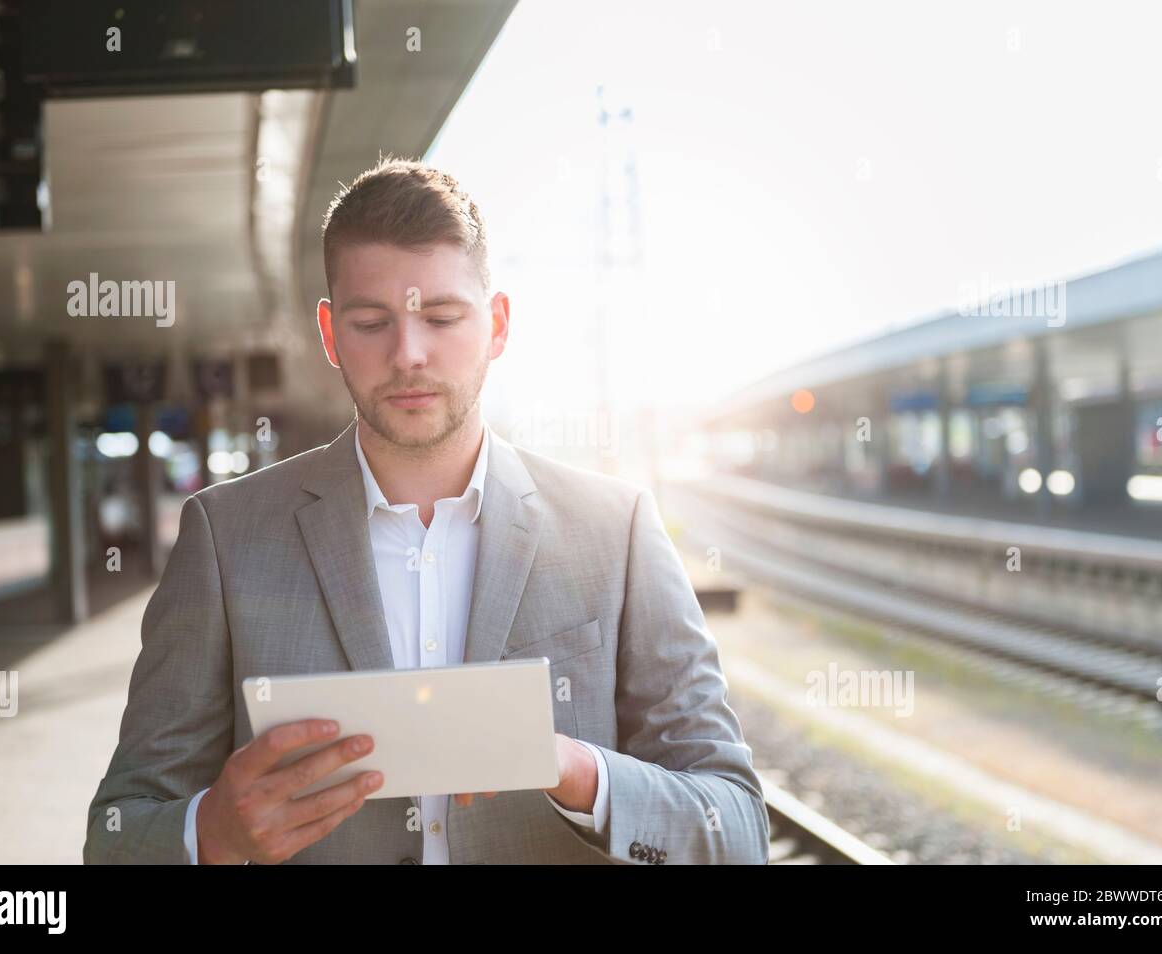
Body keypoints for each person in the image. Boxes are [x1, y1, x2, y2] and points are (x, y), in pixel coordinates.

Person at [83, 156, 769, 865]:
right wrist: (212, 833)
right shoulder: (225, 540)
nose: (408, 354)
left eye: (440, 316)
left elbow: (739, 832)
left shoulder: (615, 530)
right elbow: (115, 836)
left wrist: (569, 768)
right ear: (329, 333)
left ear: (497, 324)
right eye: (372, 321)